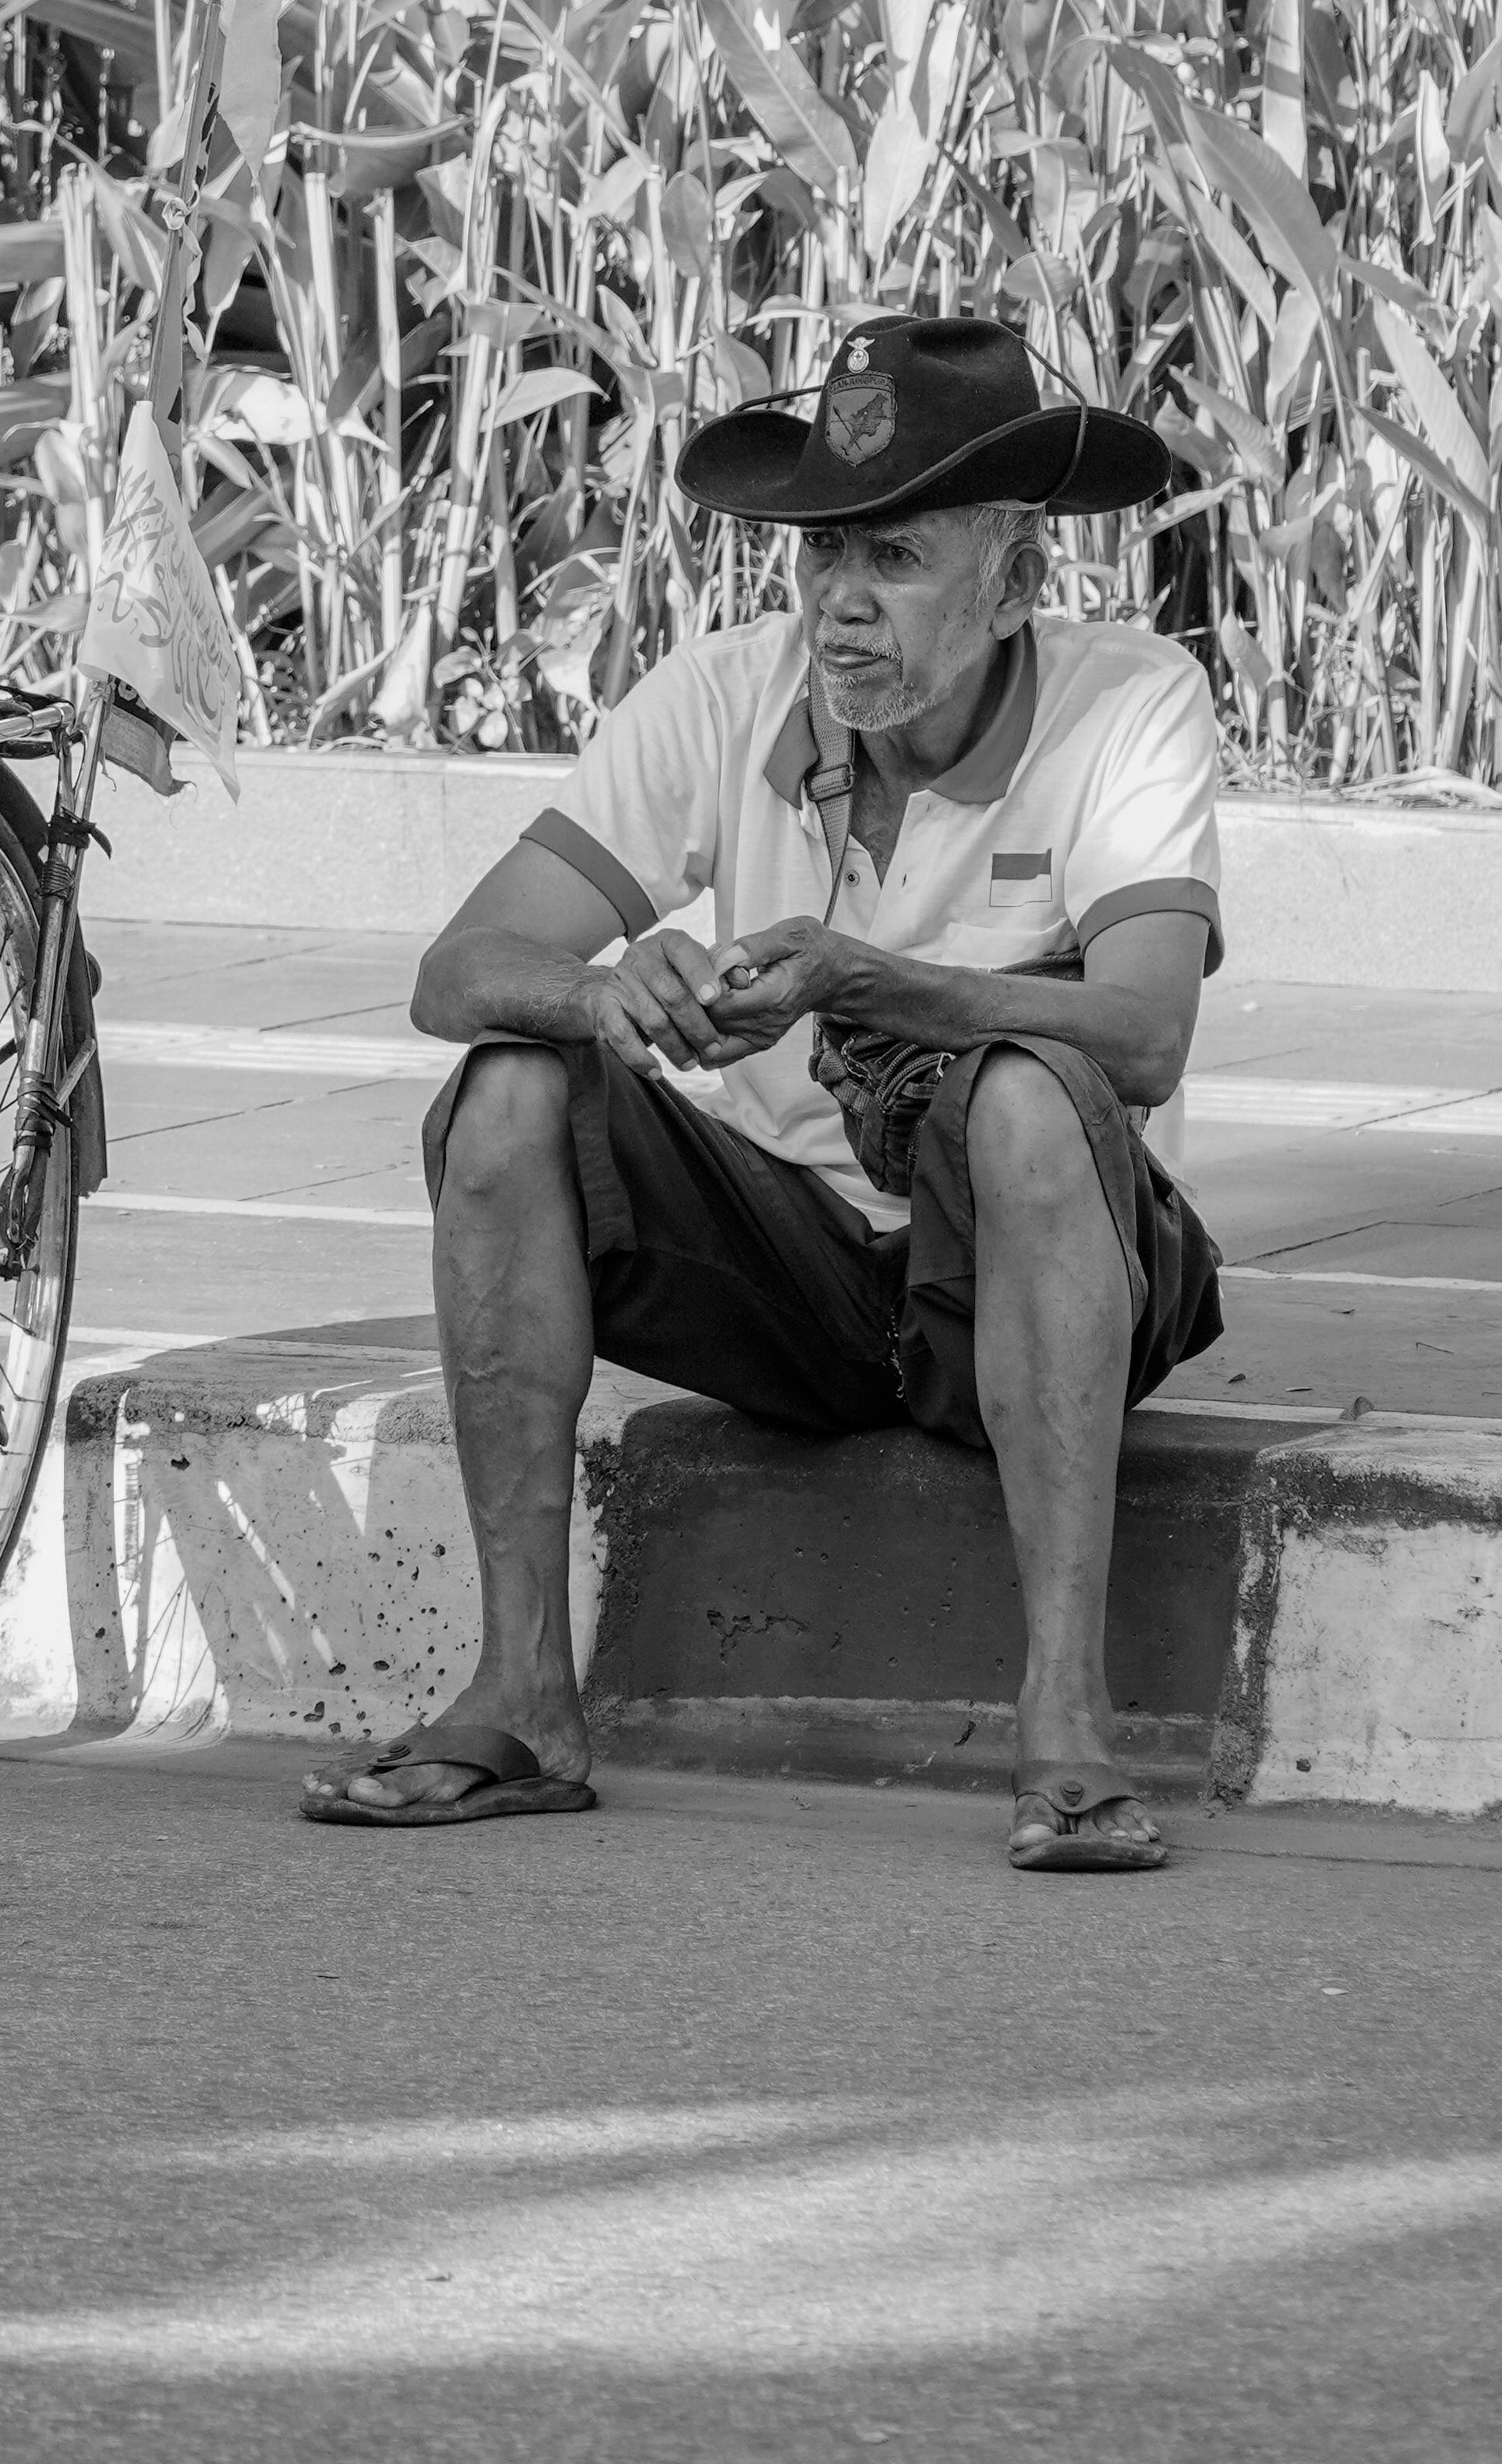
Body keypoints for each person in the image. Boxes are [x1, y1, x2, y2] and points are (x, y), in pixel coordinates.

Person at [302, 312, 1222, 1874]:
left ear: (1008, 580)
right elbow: (454, 972)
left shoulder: (1127, 704)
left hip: (1032, 1264)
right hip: (788, 1273)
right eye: (818, 561)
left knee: (1022, 1092)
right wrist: (594, 993)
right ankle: (523, 1699)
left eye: (895, 562)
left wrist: (860, 979)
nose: (840, 607)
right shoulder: (722, 693)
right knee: (510, 1086)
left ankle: (1064, 1728)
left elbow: (1141, 1037)